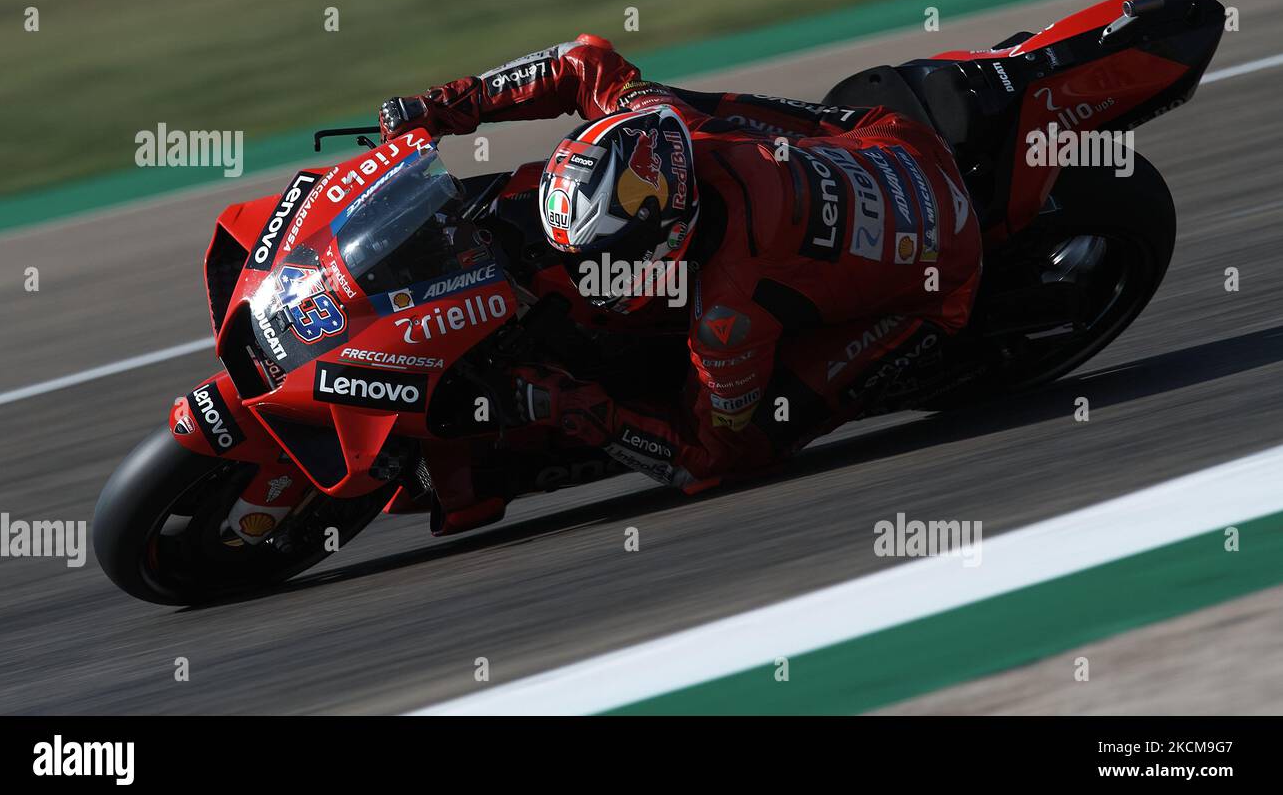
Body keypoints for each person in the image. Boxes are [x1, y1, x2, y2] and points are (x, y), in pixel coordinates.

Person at [380, 34, 981, 492]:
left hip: (942, 279)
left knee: (749, 447)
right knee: (718, 112)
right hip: (894, 138)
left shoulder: (727, 318)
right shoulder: (663, 127)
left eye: (602, 258)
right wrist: (441, 110)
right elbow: (583, 60)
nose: (593, 269)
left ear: (667, 239)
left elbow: (702, 460)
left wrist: (570, 405)